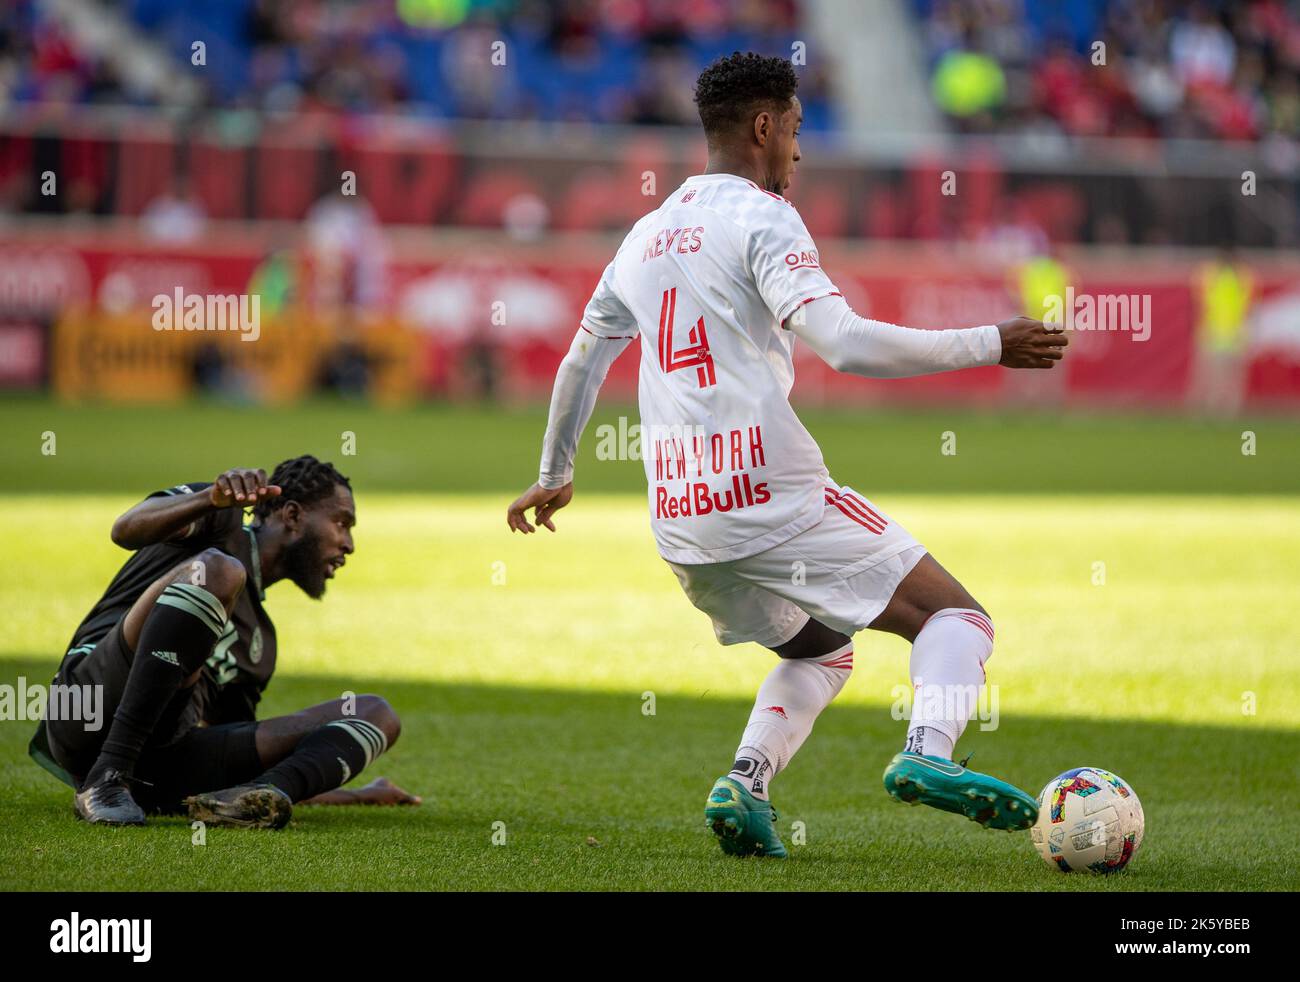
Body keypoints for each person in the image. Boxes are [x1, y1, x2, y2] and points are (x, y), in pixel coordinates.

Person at [508, 52, 1068, 858]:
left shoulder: (643, 235)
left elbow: (581, 361)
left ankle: (746, 780)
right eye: (797, 130)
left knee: (823, 649)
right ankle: (928, 752)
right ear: (765, 126)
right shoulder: (762, 217)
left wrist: (554, 474)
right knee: (957, 617)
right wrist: (989, 342)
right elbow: (844, 343)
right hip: (771, 493)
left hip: (681, 521)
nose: (800, 152)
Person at [30, 456, 418, 828]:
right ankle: (107, 776)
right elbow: (125, 529)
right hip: (84, 708)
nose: (349, 544)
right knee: (219, 572)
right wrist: (208, 498)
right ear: (293, 516)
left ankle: (270, 792)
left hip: (158, 768)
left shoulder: (261, 645)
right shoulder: (219, 520)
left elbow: (233, 754)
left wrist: (356, 795)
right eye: (342, 523)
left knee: (375, 712)